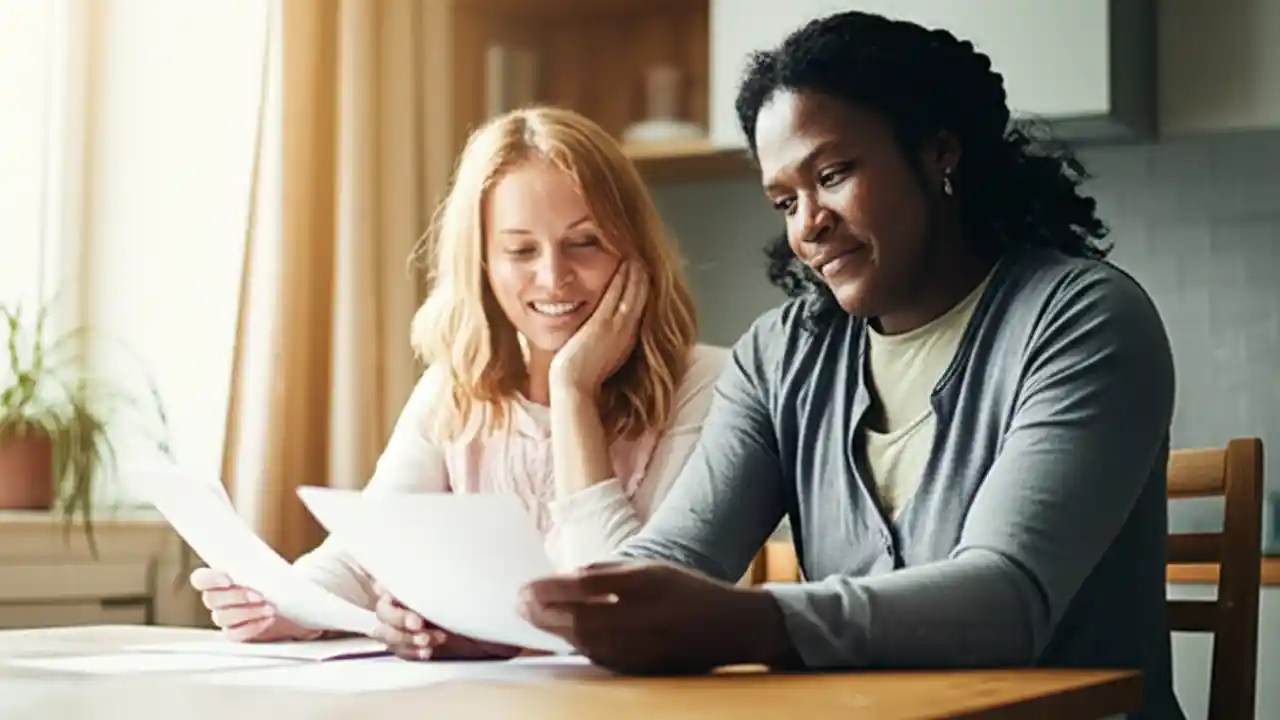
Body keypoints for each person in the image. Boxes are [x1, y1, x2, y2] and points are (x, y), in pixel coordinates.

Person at [519, 10, 1181, 719]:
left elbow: (1005, 601)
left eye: (832, 174)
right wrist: (507, 622)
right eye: (784, 200)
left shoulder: (1080, 319)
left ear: (939, 153)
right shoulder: (781, 356)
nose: (808, 224)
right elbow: (676, 556)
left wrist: (751, 621)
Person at [189, 107, 728, 661]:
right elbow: (361, 557)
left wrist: (572, 393)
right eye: (521, 251)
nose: (553, 276)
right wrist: (284, 606)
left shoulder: (709, 385)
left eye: (585, 241)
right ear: (484, 267)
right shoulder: (456, 388)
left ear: (633, 250)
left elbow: (623, 609)